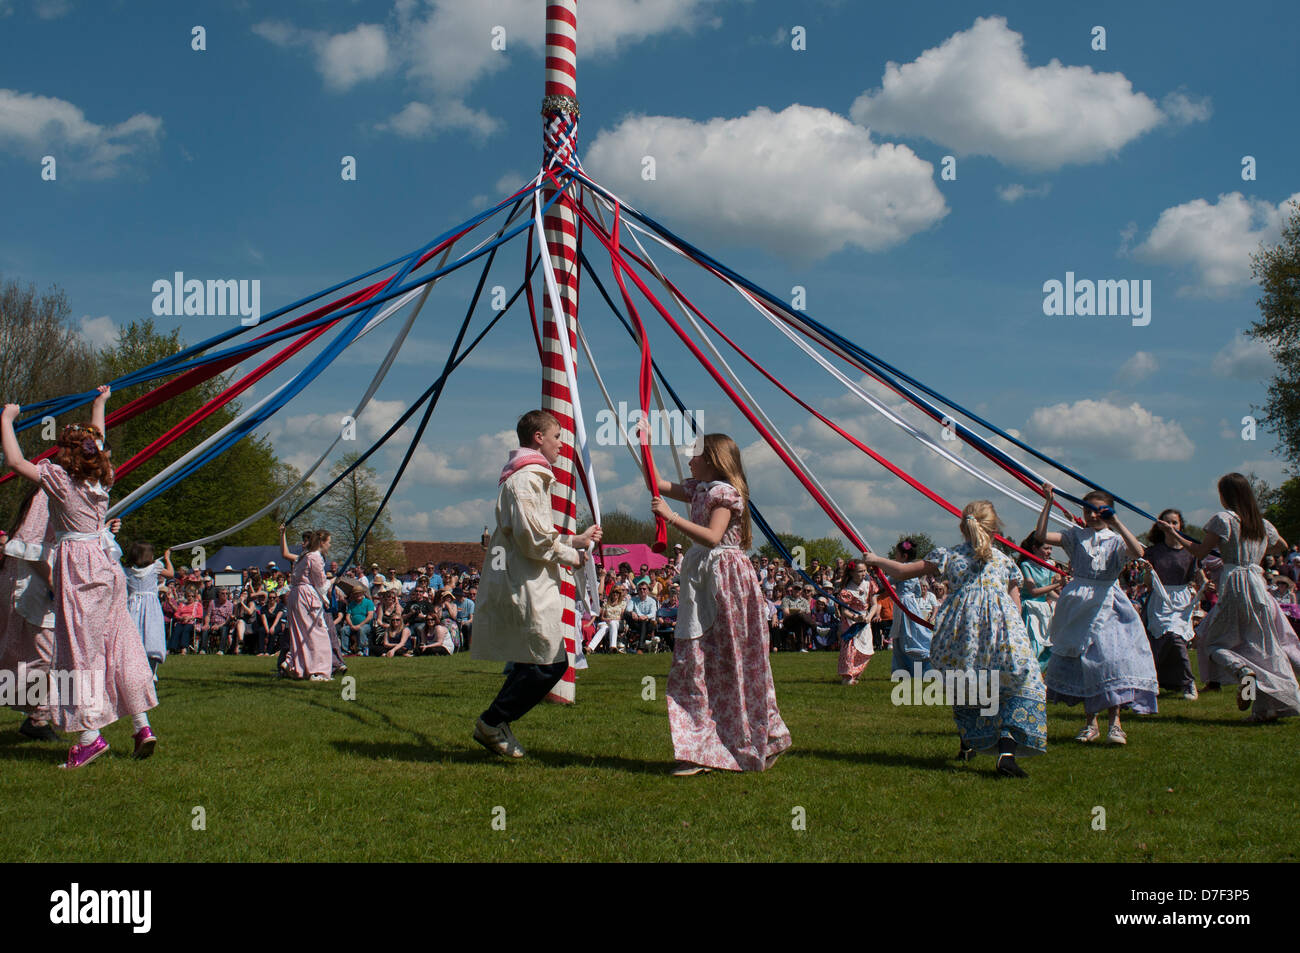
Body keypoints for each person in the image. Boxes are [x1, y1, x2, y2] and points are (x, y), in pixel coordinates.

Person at [1, 389, 157, 768]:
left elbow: (16, 460)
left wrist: (6, 420)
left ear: (65, 453)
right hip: (108, 567)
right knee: (119, 644)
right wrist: (100, 404)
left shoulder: (59, 480)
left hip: (79, 567)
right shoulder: (102, 480)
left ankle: (89, 737)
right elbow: (98, 440)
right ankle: (141, 726)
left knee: (78, 654)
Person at [864, 500, 1046, 778]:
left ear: (962, 527)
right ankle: (1006, 753)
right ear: (996, 528)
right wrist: (1015, 630)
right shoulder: (1005, 561)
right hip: (1003, 632)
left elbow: (902, 571)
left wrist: (875, 560)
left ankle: (968, 743)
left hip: (962, 633)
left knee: (968, 684)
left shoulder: (948, 556)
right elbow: (1016, 603)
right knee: (1016, 682)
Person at [651, 432, 791, 775]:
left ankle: (755, 738)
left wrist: (671, 518)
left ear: (712, 460)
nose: (689, 461)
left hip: (724, 580)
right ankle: (705, 746)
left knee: (731, 657)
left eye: (695, 457)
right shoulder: (698, 489)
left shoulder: (723, 494)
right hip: (705, 578)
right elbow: (654, 481)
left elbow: (713, 537)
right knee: (699, 658)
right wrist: (644, 439)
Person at [470, 410, 601, 758]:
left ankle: (494, 723)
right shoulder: (526, 480)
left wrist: (576, 540)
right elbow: (534, 540)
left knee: (540, 661)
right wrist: (572, 556)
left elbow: (537, 534)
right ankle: (493, 722)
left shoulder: (530, 479)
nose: (562, 443)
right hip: (525, 580)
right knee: (548, 662)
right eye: (557, 436)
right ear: (538, 438)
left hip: (530, 577)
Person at [1161, 473, 1300, 721]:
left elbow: (1200, 552)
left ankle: (1242, 670)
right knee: (1259, 646)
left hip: (1235, 584)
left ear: (1226, 495)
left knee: (1211, 641)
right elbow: (1282, 546)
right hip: (1258, 585)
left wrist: (1175, 535)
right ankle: (1264, 710)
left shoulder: (1223, 520)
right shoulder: (1262, 524)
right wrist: (1255, 551)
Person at [1038, 485, 1157, 745]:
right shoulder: (1075, 535)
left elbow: (1138, 552)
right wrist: (1048, 502)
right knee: (1085, 661)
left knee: (1112, 660)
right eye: (1088, 510)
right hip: (1078, 602)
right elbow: (1042, 535)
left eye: (1099, 511)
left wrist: (1115, 521)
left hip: (1110, 602)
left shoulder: (1116, 539)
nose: (1093, 516)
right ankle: (1090, 723)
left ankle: (1116, 723)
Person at [0, 484, 59, 740]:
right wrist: (53, 583)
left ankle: (38, 719)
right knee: (47, 657)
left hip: (38, 586)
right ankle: (39, 717)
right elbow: (29, 547)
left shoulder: (62, 492)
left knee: (43, 658)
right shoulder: (47, 494)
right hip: (31, 586)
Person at [1141, 509, 1203, 700]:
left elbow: (1198, 574)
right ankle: (1153, 682)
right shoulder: (1153, 551)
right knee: (1159, 643)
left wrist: (1206, 582)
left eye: (1174, 522)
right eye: (1167, 523)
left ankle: (1188, 682)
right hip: (1160, 600)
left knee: (1177, 639)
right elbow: (1148, 583)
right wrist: (1148, 571)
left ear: (1180, 525)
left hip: (1181, 601)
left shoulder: (1190, 551)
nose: (1171, 526)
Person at [280, 525, 335, 680]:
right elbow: (321, 584)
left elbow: (284, 554)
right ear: (322, 542)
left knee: (300, 633)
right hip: (306, 596)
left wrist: (282, 534)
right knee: (318, 633)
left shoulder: (303, 556)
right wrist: (333, 581)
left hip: (295, 595)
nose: (330, 545)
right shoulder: (315, 557)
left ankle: (299, 667)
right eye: (329, 542)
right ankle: (319, 671)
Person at [125, 542, 174, 679]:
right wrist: (167, 558)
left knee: (136, 635)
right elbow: (170, 574)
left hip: (133, 606)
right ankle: (151, 671)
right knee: (151, 636)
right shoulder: (155, 567)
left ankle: (136, 670)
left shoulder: (127, 570)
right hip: (150, 606)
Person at [889, 539, 935, 678]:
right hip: (911, 604)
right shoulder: (913, 571)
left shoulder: (901, 571)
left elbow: (887, 581)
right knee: (910, 633)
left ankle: (908, 669)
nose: (895, 556)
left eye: (897, 554)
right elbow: (918, 592)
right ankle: (906, 670)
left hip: (903, 604)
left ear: (904, 556)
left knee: (906, 635)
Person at [1018, 533, 1063, 671]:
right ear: (1035, 549)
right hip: (1030, 610)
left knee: (1049, 647)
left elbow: (1048, 592)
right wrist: (1058, 584)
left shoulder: (1049, 565)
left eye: (1051, 548)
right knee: (1034, 647)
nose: (1049, 552)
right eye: (1046, 548)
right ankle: (1027, 675)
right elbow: (1033, 591)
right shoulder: (1026, 565)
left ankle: (1037, 676)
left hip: (1044, 610)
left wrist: (1064, 600)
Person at [836, 559, 877, 685]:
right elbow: (844, 611)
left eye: (864, 571)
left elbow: (874, 604)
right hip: (851, 622)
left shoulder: (869, 584)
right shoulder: (847, 590)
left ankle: (855, 673)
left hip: (865, 619)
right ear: (852, 573)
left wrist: (869, 616)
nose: (863, 573)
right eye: (860, 571)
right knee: (850, 648)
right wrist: (855, 618)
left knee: (865, 649)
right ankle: (847, 676)